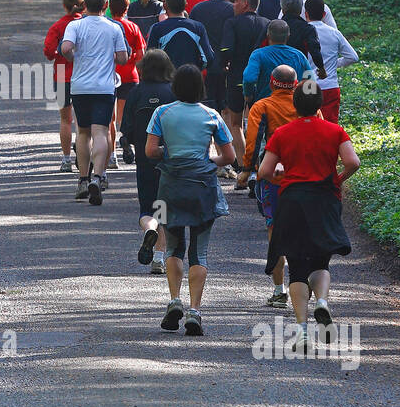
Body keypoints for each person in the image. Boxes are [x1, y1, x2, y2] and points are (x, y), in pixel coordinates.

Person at [258, 80, 360, 353]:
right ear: (320, 104)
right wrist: (336, 180)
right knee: (321, 262)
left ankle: (302, 332)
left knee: (298, 267)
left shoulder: (282, 132)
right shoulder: (335, 131)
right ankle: (323, 302)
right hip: (324, 200)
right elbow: (353, 162)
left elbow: (264, 171)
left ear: (295, 103)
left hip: (293, 203)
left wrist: (284, 181)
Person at [145, 65, 235, 336]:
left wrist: (170, 152)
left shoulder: (161, 112)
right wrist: (210, 159)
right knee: (200, 251)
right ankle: (195, 310)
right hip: (203, 186)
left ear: (175, 87)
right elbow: (229, 157)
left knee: (173, 246)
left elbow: (150, 151)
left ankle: (175, 300)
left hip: (171, 184)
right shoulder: (212, 115)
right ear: (200, 88)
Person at [61, 0, 130, 205]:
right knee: (101, 131)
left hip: (80, 86)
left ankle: (83, 179)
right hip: (104, 86)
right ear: (105, 6)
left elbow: (65, 48)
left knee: (82, 133)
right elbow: (122, 58)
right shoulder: (114, 27)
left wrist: (74, 57)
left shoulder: (75, 25)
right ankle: (98, 177)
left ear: (84, 6)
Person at [239, 65, 301, 308]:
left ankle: (279, 290)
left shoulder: (262, 106)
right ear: (295, 84)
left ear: (272, 83)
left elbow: (253, 140)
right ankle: (302, 285)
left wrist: (246, 169)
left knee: (274, 230)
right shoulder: (308, 106)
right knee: (301, 231)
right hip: (303, 174)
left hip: (273, 174)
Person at [121, 50, 176, 275]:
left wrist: (127, 145)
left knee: (146, 208)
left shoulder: (136, 92)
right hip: (169, 159)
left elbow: (126, 129)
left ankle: (148, 229)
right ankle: (160, 257)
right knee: (163, 207)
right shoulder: (173, 92)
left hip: (145, 160)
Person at [219, 0, 272, 163]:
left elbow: (227, 49)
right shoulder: (267, 23)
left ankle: (244, 165)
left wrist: (224, 64)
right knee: (260, 124)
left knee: (236, 124)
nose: (233, 4)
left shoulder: (232, 23)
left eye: (236, 1)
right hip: (261, 81)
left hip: (237, 78)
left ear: (246, 4)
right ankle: (260, 163)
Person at [44, 0, 85, 172]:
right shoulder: (85, 24)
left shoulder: (58, 26)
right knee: (83, 120)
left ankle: (66, 159)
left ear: (64, 6)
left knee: (65, 120)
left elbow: (48, 53)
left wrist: (58, 53)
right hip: (84, 75)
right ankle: (85, 156)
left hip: (62, 75)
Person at [305, 0, 359, 121]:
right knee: (330, 126)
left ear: (306, 14)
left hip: (309, 85)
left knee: (309, 123)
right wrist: (335, 63)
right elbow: (353, 57)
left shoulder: (304, 32)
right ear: (324, 14)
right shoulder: (334, 33)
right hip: (330, 86)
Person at [190, 0, 236, 117]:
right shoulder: (233, 10)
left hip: (203, 67)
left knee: (204, 108)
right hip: (227, 67)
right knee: (226, 110)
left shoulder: (198, 9)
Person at [108, 0, 146, 167]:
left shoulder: (107, 26)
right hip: (130, 76)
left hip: (109, 76)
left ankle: (111, 156)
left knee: (111, 119)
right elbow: (140, 55)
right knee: (126, 117)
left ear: (109, 7)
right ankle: (126, 140)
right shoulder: (133, 27)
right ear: (127, 8)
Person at [242, 19, 312, 109]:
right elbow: (311, 82)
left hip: (266, 108)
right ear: (288, 36)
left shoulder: (258, 54)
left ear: (268, 35)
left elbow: (249, 78)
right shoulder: (299, 55)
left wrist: (248, 95)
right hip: (293, 108)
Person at [146, 0, 215, 73]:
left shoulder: (157, 28)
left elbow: (149, 59)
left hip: (166, 80)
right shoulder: (198, 27)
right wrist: (196, 69)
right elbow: (208, 58)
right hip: (191, 78)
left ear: (164, 6)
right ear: (186, 5)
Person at [279, 0, 327, 81]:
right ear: (301, 10)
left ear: (282, 10)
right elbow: (314, 50)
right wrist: (321, 68)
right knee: (304, 94)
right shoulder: (307, 28)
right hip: (300, 74)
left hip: (278, 72)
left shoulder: (274, 27)